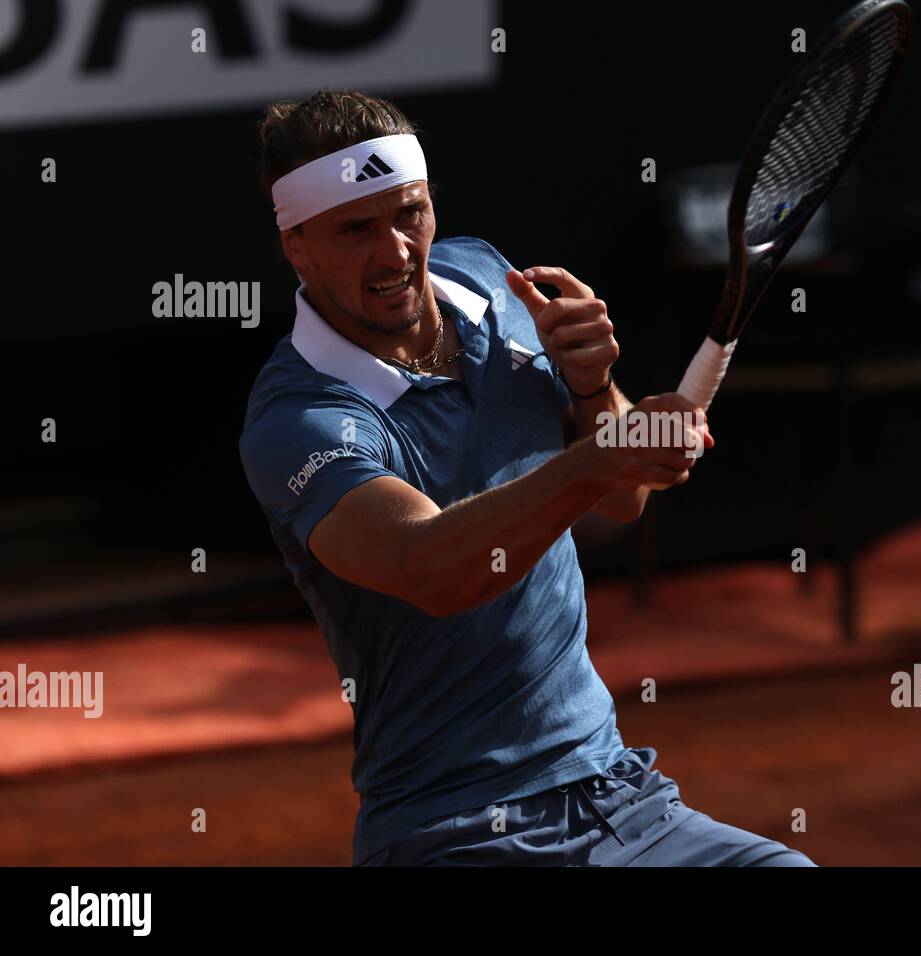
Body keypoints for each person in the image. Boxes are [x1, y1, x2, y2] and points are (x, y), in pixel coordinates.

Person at [238, 90, 816, 867]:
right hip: (454, 831)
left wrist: (593, 395)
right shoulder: (297, 419)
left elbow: (620, 498)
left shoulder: (488, 280)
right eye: (355, 230)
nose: (396, 253)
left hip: (621, 797)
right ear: (296, 245)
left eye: (409, 213)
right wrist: (599, 454)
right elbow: (433, 568)